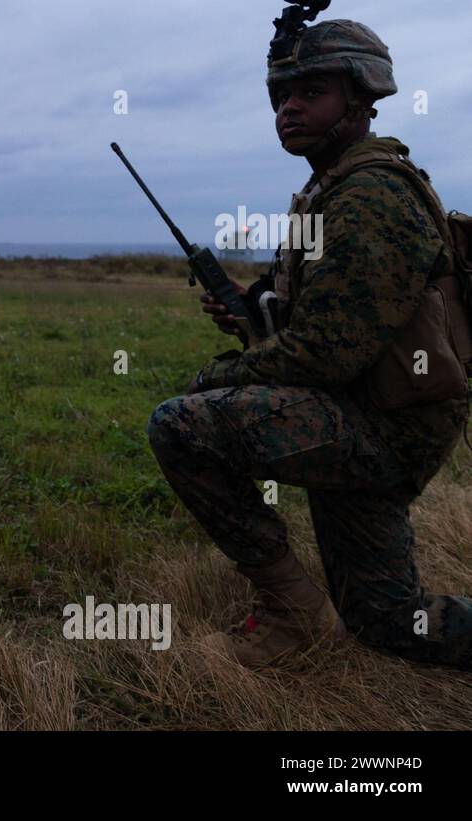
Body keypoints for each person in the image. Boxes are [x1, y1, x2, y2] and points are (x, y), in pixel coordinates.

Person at [146, 18, 472, 669]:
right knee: (388, 621)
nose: (288, 108)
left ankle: (293, 614)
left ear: (359, 99)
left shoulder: (369, 196)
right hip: (370, 414)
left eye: (309, 92)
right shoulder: (330, 190)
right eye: (279, 97)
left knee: (182, 424)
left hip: (382, 429)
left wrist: (223, 373)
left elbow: (326, 353)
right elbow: (315, 320)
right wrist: (252, 309)